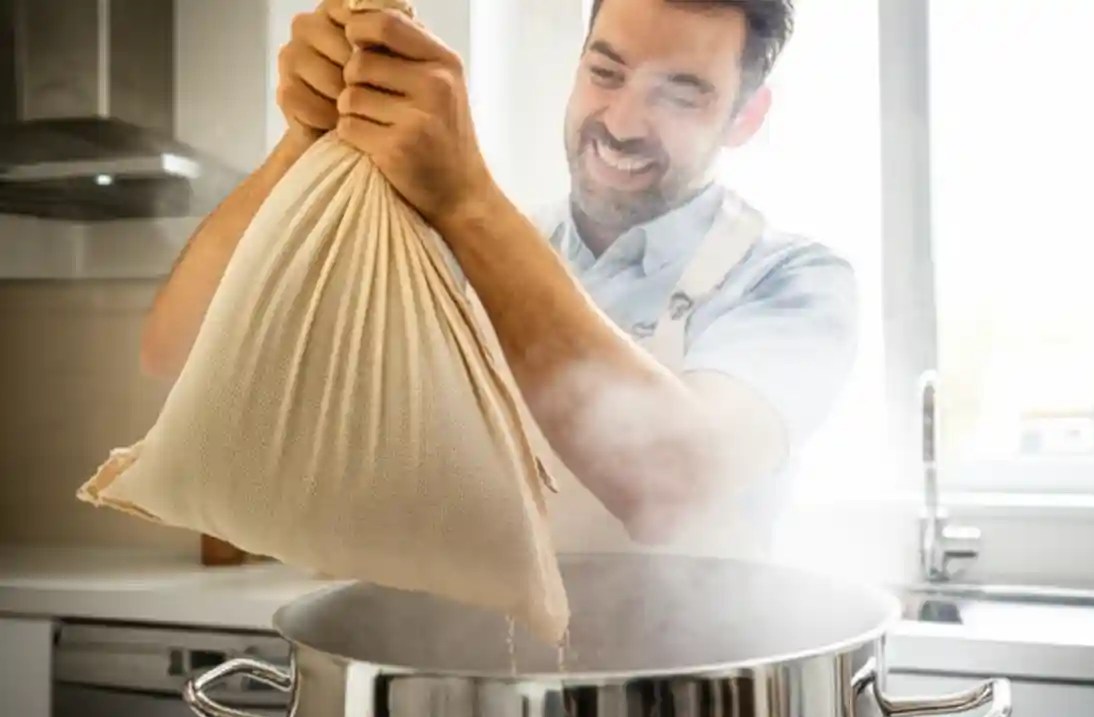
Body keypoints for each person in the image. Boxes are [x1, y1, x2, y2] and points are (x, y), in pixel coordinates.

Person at [139, 0, 857, 554]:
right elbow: (179, 353)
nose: (624, 121)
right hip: (477, 687)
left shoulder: (790, 282)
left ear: (745, 117)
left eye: (681, 94)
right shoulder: (464, 249)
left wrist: (463, 196)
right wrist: (304, 142)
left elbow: (672, 483)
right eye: (605, 72)